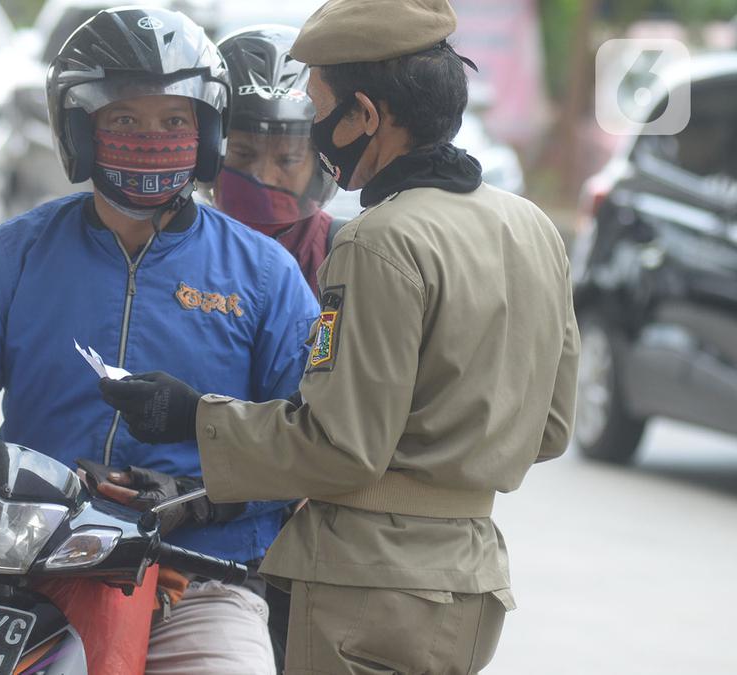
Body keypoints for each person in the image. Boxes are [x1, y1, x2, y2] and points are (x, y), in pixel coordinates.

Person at [0, 7, 317, 674]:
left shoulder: (265, 274)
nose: (151, 138)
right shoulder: (20, 251)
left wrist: (195, 497)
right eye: (125, 120)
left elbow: (306, 440)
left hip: (197, 579)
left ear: (206, 132)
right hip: (23, 565)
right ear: (80, 130)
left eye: (173, 121)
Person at [98, 0, 581, 673]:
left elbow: (340, 447)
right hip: (472, 582)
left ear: (365, 117)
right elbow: (551, 429)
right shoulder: (530, 227)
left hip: (368, 587)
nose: (316, 132)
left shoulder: (378, 241)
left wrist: (191, 416)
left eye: (320, 109)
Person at [207, 25, 338, 298]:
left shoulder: (342, 254)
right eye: (243, 154)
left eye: (288, 159)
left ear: (319, 164)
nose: (263, 177)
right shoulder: (172, 250)